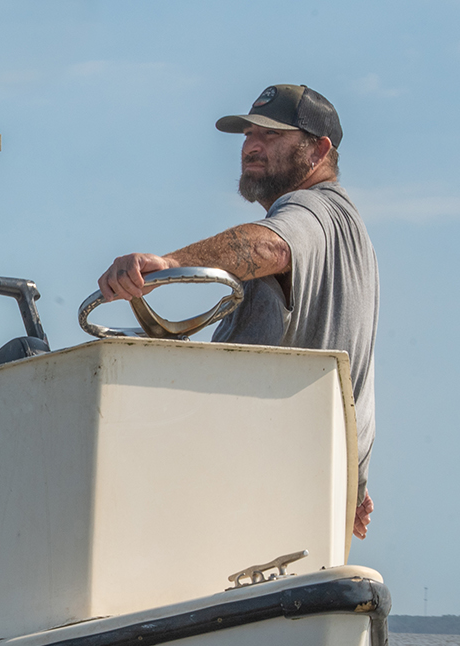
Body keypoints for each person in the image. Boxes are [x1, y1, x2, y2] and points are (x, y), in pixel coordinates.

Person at [95, 84, 378, 539]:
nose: (251, 145)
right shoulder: (349, 230)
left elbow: (268, 245)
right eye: (248, 134)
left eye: (272, 135)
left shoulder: (309, 208)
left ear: (318, 151)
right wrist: (353, 480)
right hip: (311, 487)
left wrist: (168, 265)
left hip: (259, 485)